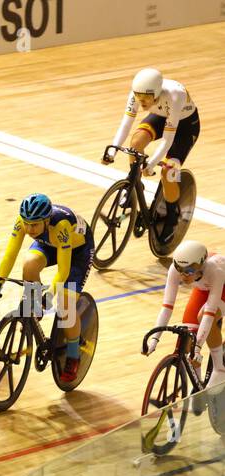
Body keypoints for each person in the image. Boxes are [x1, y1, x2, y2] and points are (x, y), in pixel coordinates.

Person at [0, 193, 94, 384]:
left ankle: (73, 355)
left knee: (65, 305)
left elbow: (63, 271)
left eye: (35, 224)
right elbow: (10, 254)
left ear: (46, 221)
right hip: (48, 243)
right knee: (29, 264)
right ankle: (35, 308)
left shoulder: (61, 225)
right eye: (27, 224)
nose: (29, 229)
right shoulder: (25, 222)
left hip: (78, 252)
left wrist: (50, 295)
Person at [105, 68, 200, 244]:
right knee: (135, 144)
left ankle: (172, 217)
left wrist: (152, 164)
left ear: (156, 93)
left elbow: (168, 139)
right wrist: (112, 151)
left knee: (168, 172)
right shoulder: (137, 94)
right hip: (162, 116)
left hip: (185, 127)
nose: (141, 101)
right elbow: (125, 125)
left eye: (146, 98)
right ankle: (134, 183)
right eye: (138, 97)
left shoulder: (174, 95)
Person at [145, 239, 225, 390]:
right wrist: (154, 339)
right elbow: (167, 307)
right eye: (179, 269)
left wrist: (198, 348)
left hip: (222, 288)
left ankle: (220, 369)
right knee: (187, 334)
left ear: (201, 265)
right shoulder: (176, 270)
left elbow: (208, 314)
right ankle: (198, 387)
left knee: (203, 316)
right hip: (203, 288)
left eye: (188, 271)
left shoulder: (215, 271)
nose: (183, 276)